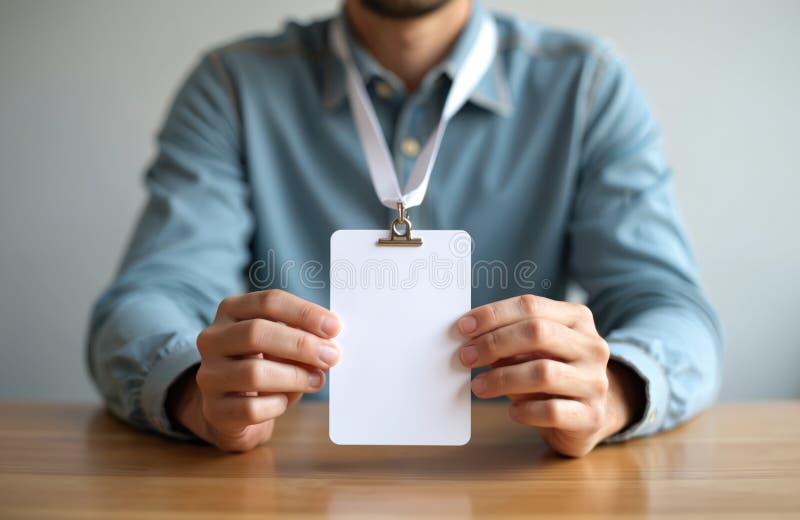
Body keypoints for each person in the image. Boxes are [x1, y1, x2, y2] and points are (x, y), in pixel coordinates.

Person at [88, 0, 722, 457]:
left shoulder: (587, 85)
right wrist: (193, 395)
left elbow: (670, 306)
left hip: (517, 467)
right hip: (287, 473)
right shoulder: (233, 84)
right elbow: (151, 294)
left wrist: (607, 394)